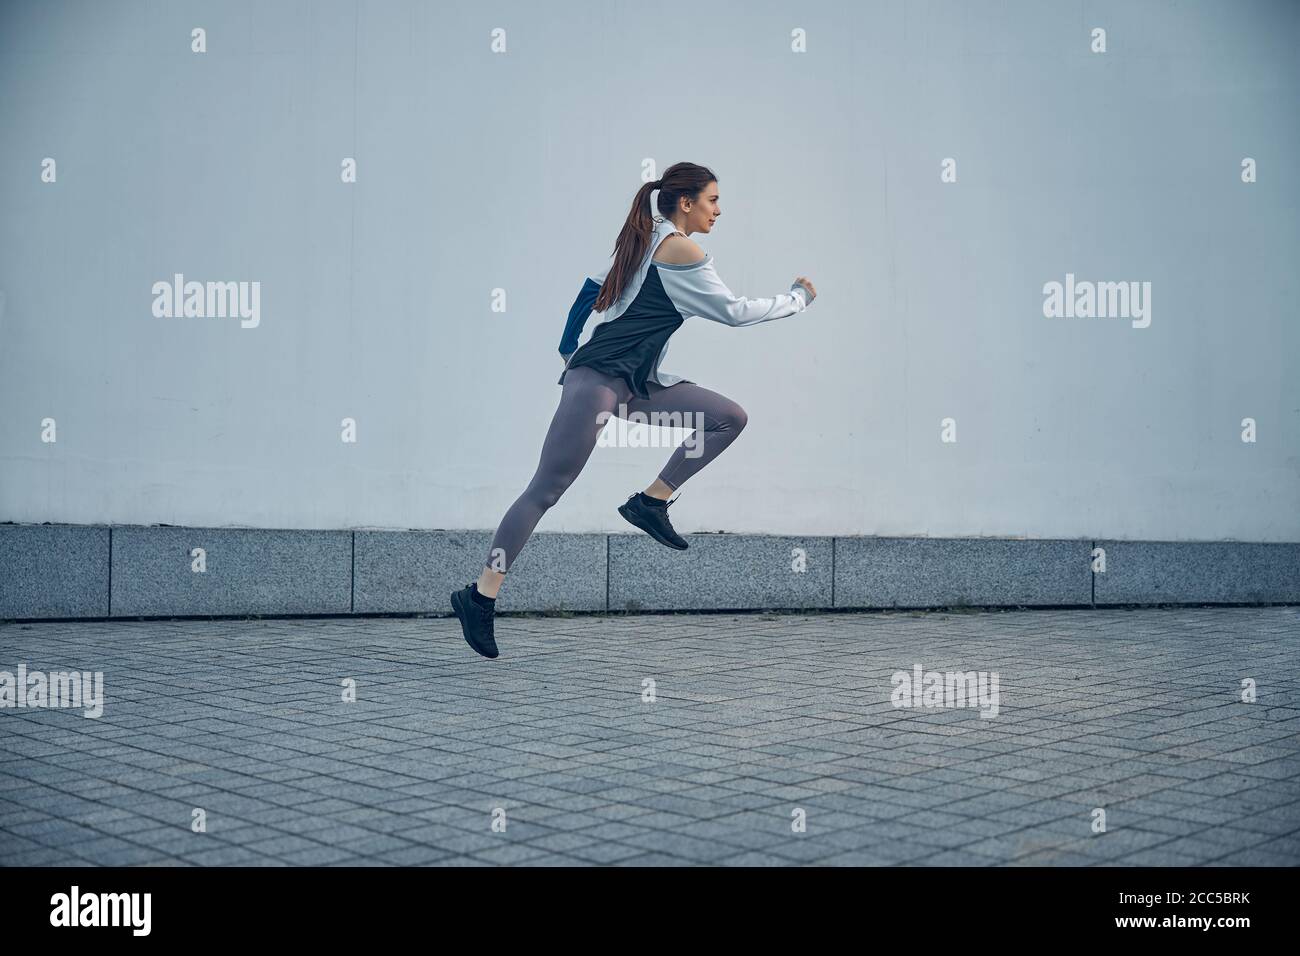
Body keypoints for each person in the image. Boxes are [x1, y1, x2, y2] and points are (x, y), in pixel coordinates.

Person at [451, 162, 818, 658]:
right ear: (685, 203)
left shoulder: (643, 242)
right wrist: (797, 299)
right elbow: (733, 312)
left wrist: (570, 354)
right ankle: (480, 596)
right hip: (600, 385)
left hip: (633, 385)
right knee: (546, 490)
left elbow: (585, 296)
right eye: (712, 199)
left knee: (728, 417)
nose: (719, 210)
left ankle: (650, 502)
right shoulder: (680, 248)